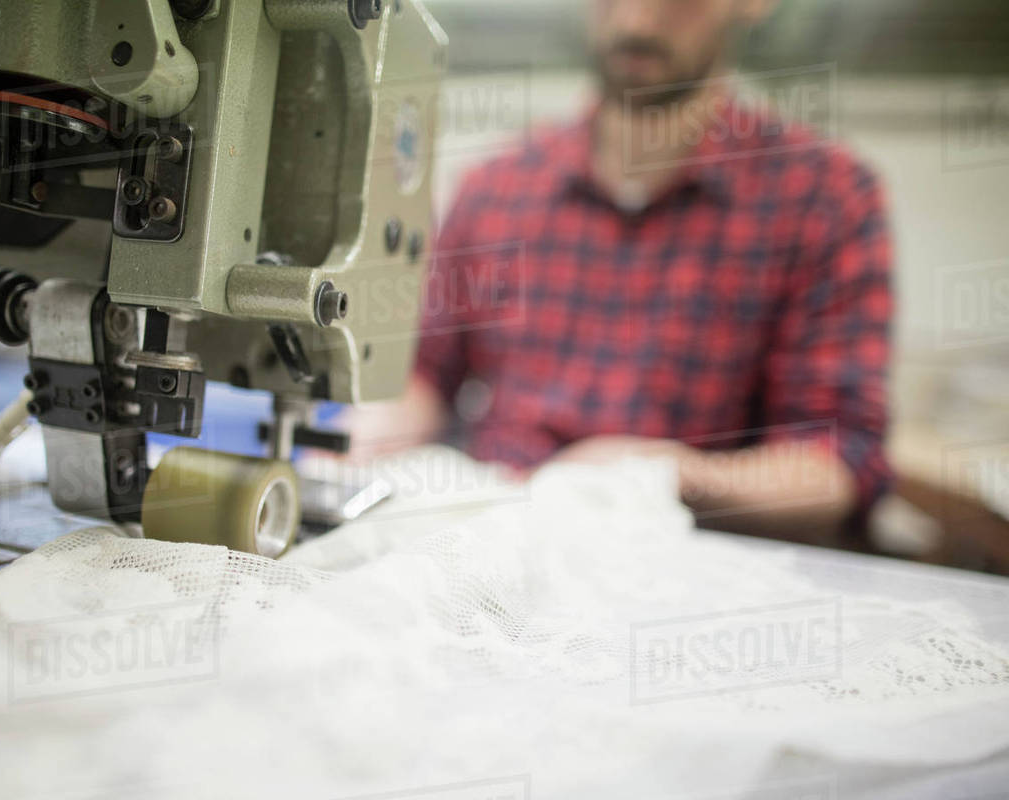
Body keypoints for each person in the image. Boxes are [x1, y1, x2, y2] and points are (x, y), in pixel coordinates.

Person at [347, 0, 893, 544]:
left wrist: (663, 474)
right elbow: (423, 375)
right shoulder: (497, 187)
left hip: (680, 570)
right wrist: (363, 439)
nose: (634, 20)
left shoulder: (824, 199)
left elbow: (838, 462)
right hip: (492, 535)